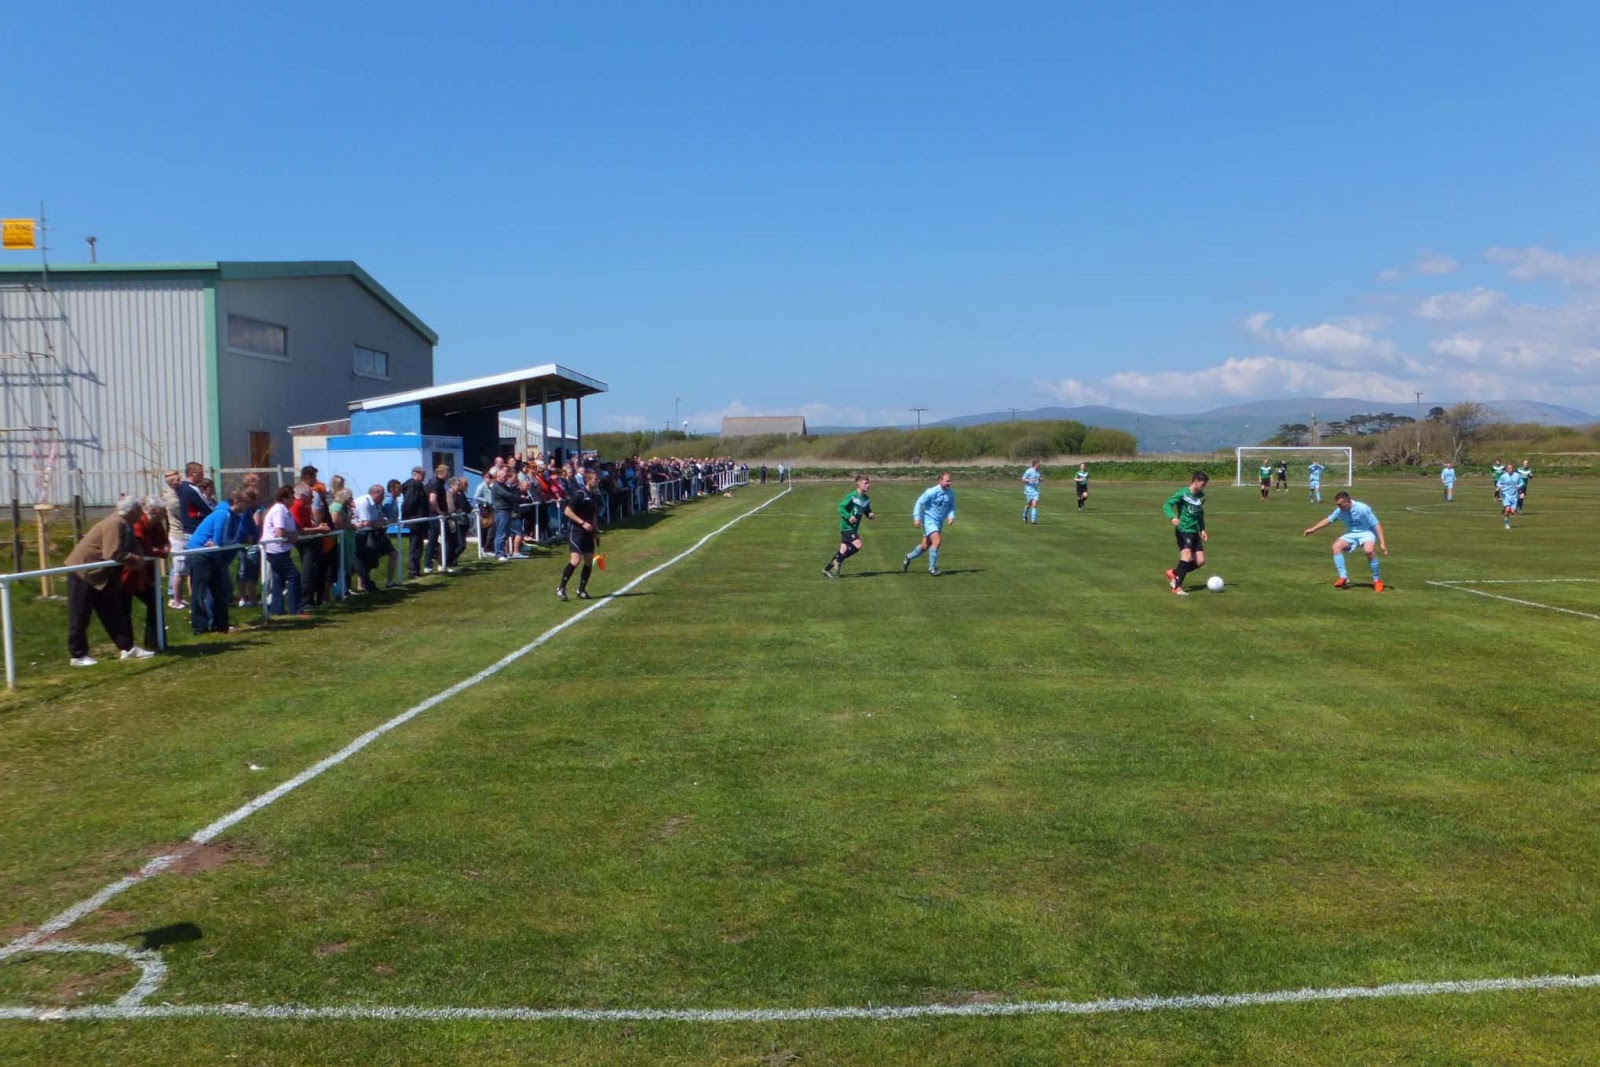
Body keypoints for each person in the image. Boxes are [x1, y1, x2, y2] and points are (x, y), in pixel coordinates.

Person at [65, 497, 154, 666]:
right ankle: (78, 655)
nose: (141, 514)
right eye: (138, 510)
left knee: (113, 613)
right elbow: (112, 553)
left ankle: (127, 647)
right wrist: (135, 559)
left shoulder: (125, 524)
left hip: (101, 576)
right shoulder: (114, 524)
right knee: (80, 614)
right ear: (130, 512)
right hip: (83, 572)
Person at [1303, 491, 1388, 591]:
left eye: (1340, 504)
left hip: (1366, 532)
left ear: (1348, 502)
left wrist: (1383, 542)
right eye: (1337, 504)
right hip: (1351, 533)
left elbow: (1376, 525)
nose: (1338, 507)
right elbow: (1329, 520)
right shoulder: (1339, 511)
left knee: (1368, 551)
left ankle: (1377, 581)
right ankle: (1343, 577)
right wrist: (1313, 528)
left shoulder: (1362, 508)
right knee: (1336, 547)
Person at [557, 469, 603, 601]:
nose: (597, 481)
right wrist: (582, 523)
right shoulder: (579, 494)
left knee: (589, 561)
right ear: (588, 480)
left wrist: (596, 532)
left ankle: (581, 589)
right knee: (576, 560)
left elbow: (594, 515)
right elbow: (567, 511)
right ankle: (561, 588)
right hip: (576, 531)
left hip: (588, 532)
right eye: (595, 479)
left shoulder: (595, 496)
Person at [1162, 471, 1209, 596]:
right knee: (1186, 556)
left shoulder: (1201, 496)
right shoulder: (1183, 493)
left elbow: (1200, 514)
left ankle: (1174, 573)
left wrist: (1202, 529)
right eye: (1202, 484)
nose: (1203, 487)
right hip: (1183, 530)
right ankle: (1177, 587)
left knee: (1200, 561)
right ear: (1196, 481)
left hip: (1195, 532)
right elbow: (1167, 505)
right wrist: (1172, 517)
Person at [262, 485, 306, 616]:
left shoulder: (285, 510)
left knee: (278, 579)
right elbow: (279, 531)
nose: (294, 499)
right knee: (294, 576)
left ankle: (277, 609)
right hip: (276, 550)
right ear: (284, 498)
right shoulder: (279, 510)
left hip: (280, 549)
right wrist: (291, 536)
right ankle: (296, 609)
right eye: (292, 497)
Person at [902, 472, 956, 576]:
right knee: (937, 540)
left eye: (950, 480)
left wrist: (951, 516)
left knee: (925, 546)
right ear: (940, 481)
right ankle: (932, 568)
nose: (950, 483)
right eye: (947, 481)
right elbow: (919, 502)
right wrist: (916, 517)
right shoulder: (932, 491)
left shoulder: (951, 493)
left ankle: (908, 557)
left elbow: (951, 506)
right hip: (929, 520)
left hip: (939, 522)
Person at [823, 475, 874, 578]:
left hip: (854, 527)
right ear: (858, 484)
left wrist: (870, 514)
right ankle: (838, 561)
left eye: (868, 483)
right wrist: (849, 516)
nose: (868, 485)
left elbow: (867, 509)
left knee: (843, 550)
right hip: (846, 526)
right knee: (858, 545)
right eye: (865, 483)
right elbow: (840, 507)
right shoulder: (852, 496)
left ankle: (827, 569)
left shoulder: (866, 498)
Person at [399, 466, 431, 578]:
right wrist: (408, 517)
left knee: (419, 545)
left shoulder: (418, 486)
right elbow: (409, 503)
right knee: (415, 546)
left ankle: (416, 570)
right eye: (422, 474)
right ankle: (413, 571)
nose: (424, 477)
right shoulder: (413, 486)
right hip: (415, 520)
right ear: (415, 474)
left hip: (419, 519)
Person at [1496, 462, 1522, 529]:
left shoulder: (1517, 475)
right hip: (1506, 495)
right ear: (1507, 469)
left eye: (1511, 468)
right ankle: (1506, 524)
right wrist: (1500, 486)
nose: (1510, 469)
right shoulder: (1503, 476)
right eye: (1508, 468)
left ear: (1513, 469)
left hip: (1514, 495)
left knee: (1512, 512)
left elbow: (1522, 483)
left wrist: (1518, 486)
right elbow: (1498, 483)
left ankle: (1505, 508)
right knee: (1507, 510)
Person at [1021, 460, 1042, 525]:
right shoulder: (1029, 471)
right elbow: (1023, 479)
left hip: (1036, 491)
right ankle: (1024, 515)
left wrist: (1040, 479)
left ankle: (1033, 520)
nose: (1040, 465)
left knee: (1034, 505)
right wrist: (1029, 480)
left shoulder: (1038, 473)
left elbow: (1039, 480)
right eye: (1039, 464)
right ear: (1035, 464)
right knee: (1028, 505)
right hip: (1029, 491)